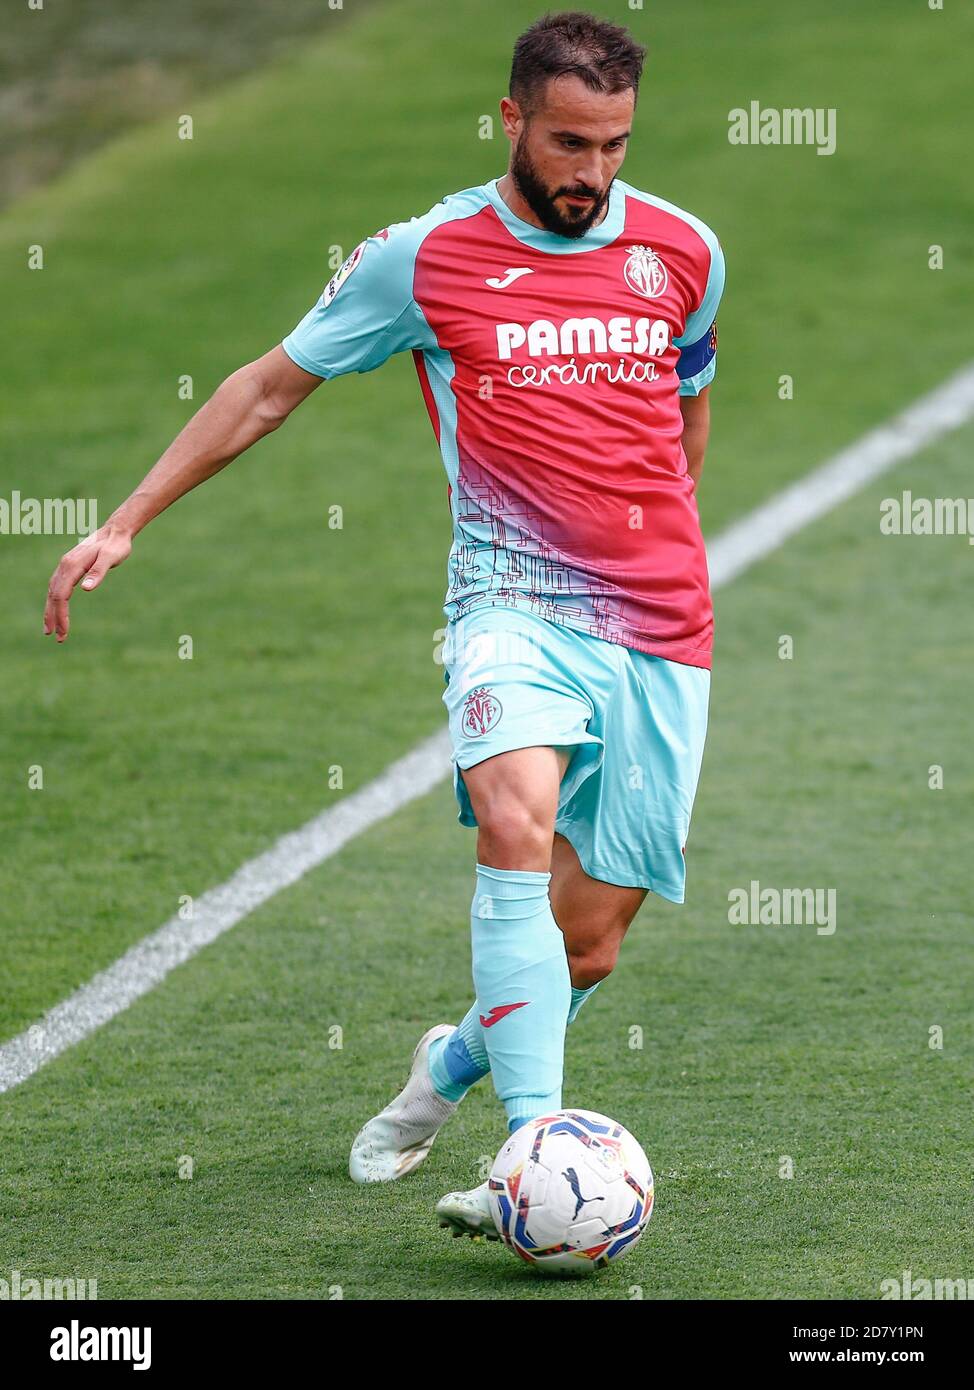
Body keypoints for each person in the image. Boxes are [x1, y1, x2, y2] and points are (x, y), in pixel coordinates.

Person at [43, 11, 724, 1241]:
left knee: (588, 950)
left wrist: (663, 557)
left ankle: (450, 1066)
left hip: (657, 624)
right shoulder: (424, 257)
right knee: (511, 822)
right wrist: (128, 518)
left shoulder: (682, 250)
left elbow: (684, 421)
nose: (591, 173)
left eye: (615, 145)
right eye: (569, 142)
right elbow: (267, 387)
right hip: (507, 606)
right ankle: (534, 1150)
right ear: (509, 119)